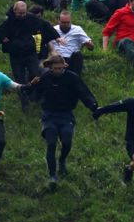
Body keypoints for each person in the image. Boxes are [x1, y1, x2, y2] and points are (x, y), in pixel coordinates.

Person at [22, 54, 98, 186]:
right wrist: (30, 86)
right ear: (50, 67)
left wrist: (94, 107)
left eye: (60, 68)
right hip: (49, 115)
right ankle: (52, 176)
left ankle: (62, 160)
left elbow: (84, 93)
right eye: (55, 68)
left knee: (67, 142)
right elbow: (32, 94)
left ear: (64, 66)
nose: (58, 71)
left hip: (66, 114)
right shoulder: (45, 78)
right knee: (51, 144)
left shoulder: (72, 78)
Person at [0, 0, 60, 110]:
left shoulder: (31, 18)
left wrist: (57, 37)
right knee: (19, 79)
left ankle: (36, 97)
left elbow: (45, 24)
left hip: (30, 53)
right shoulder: (8, 22)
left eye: (24, 13)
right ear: (14, 11)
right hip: (16, 55)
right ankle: (24, 102)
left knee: (35, 75)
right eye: (20, 13)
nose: (22, 16)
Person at [51, 11, 94, 75]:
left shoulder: (77, 29)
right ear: (58, 21)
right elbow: (48, 45)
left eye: (68, 22)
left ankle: (75, 77)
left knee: (78, 54)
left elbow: (91, 47)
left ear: (71, 21)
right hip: (57, 58)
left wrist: (88, 44)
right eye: (63, 22)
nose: (65, 25)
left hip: (71, 58)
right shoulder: (53, 29)